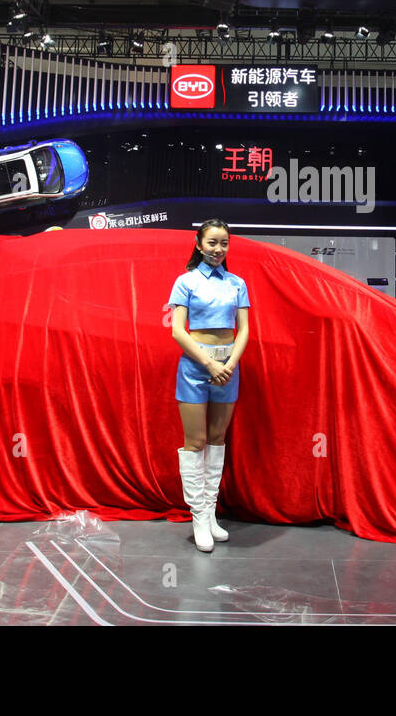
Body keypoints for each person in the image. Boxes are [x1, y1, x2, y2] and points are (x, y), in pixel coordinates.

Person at [167, 219, 250, 552]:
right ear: (199, 244)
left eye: (224, 243)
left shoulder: (237, 284)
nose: (219, 249)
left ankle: (210, 513)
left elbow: (243, 330)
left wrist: (228, 364)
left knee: (217, 438)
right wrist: (209, 363)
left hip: (228, 368)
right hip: (195, 367)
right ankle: (198, 516)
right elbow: (177, 330)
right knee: (196, 440)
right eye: (213, 243)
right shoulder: (185, 281)